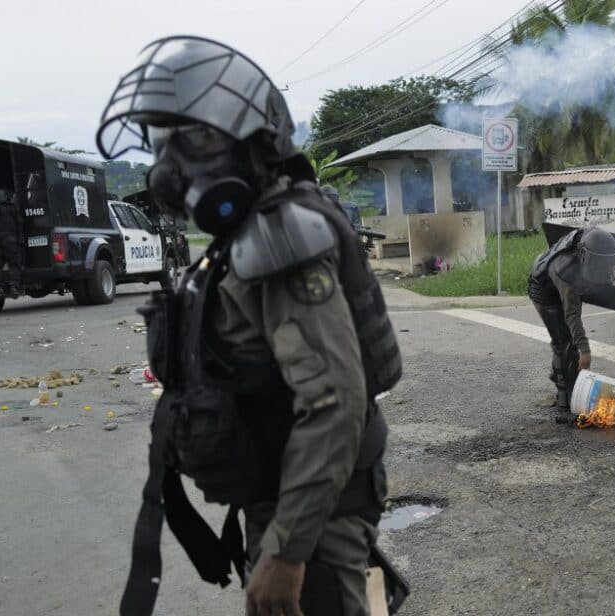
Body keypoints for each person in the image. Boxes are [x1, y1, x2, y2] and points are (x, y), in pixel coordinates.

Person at [97, 36, 404, 616]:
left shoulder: (279, 241)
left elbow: (335, 404)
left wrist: (286, 551)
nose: (173, 166)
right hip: (290, 503)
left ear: (252, 143)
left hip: (314, 515)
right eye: (166, 145)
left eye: (198, 140)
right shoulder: (240, 239)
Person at [527, 226, 615, 412]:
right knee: (565, 345)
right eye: (600, 265)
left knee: (565, 341)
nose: (606, 269)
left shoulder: (586, 240)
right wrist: (585, 351)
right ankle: (565, 398)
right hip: (543, 291)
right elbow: (572, 316)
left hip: (554, 277)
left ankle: (558, 374)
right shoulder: (567, 274)